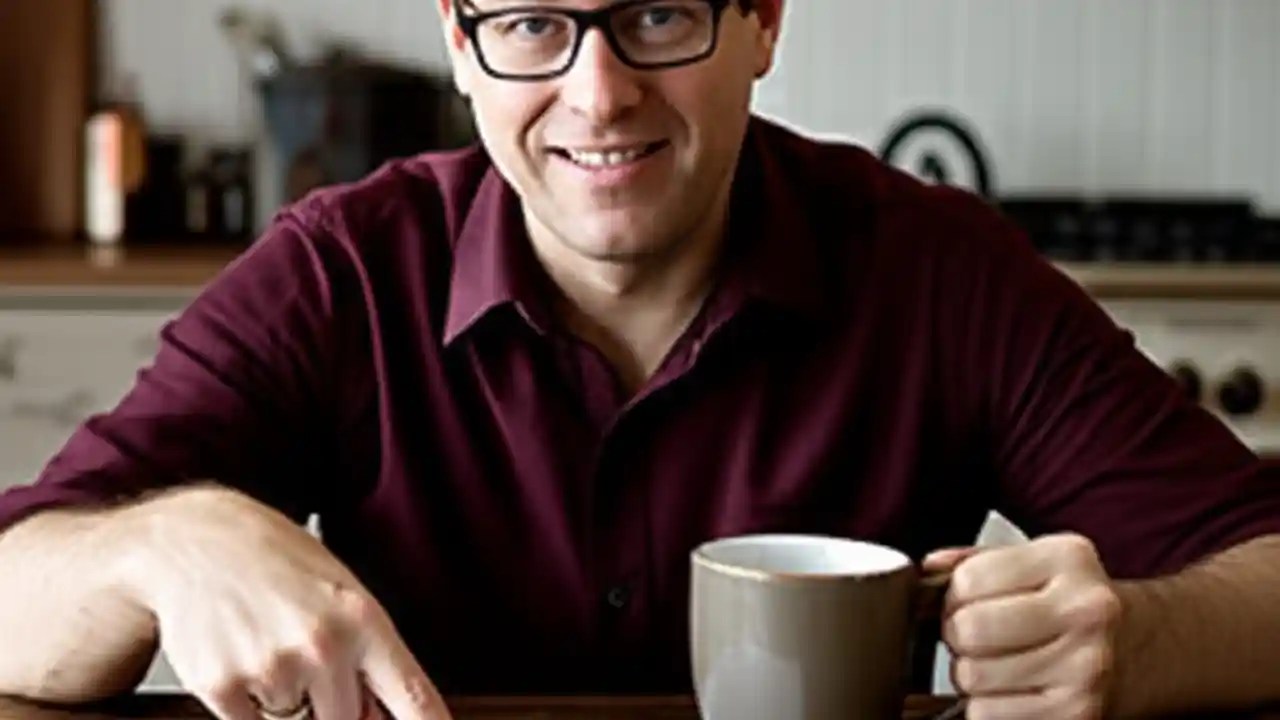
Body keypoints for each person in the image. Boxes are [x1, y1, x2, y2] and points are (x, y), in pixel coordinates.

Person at [2, 0, 1280, 718]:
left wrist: (1137, 641)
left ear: (763, 20)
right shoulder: (343, 269)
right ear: (461, 45)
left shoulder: (940, 271)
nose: (598, 93)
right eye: (529, 25)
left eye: (656, 14)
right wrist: (156, 544)